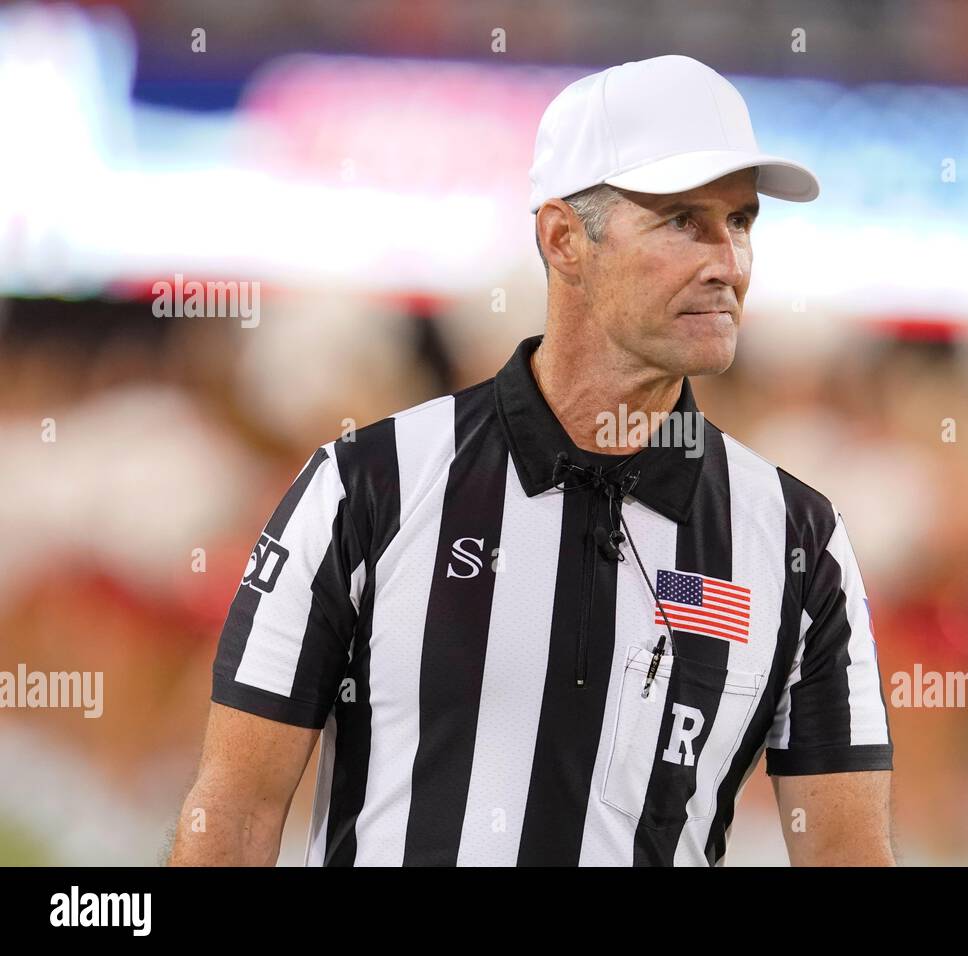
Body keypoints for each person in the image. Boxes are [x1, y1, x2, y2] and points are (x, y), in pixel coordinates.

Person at [168, 54, 894, 867]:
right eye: (683, 221)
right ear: (563, 240)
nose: (728, 262)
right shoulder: (368, 486)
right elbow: (231, 822)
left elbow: (846, 855)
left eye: (742, 222)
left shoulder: (796, 536)